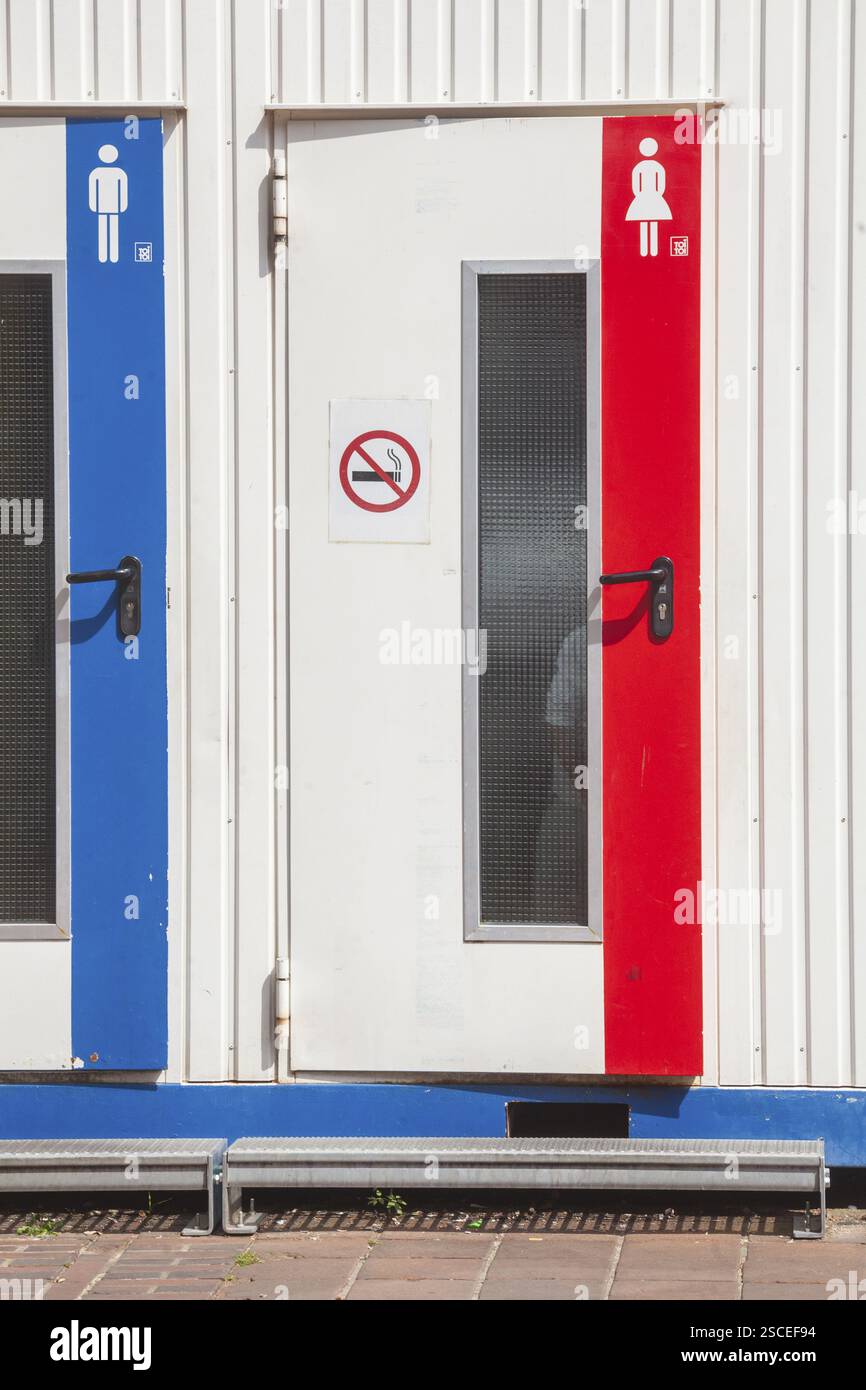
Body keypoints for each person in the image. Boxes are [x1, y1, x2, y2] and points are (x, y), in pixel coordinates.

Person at [626, 136, 672, 258]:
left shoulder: (641, 167)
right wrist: (656, 194)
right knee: (649, 223)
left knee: (649, 223)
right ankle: (648, 251)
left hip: (645, 196)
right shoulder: (656, 166)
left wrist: (641, 195)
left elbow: (636, 185)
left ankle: (649, 251)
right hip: (652, 196)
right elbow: (661, 185)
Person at [88, 144, 128, 264]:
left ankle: (113, 256)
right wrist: (93, 205)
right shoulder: (96, 173)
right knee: (104, 229)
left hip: (111, 206)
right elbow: (92, 190)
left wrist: (123, 205)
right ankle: (103, 256)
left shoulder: (119, 173)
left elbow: (123, 190)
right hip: (104, 206)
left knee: (111, 229)